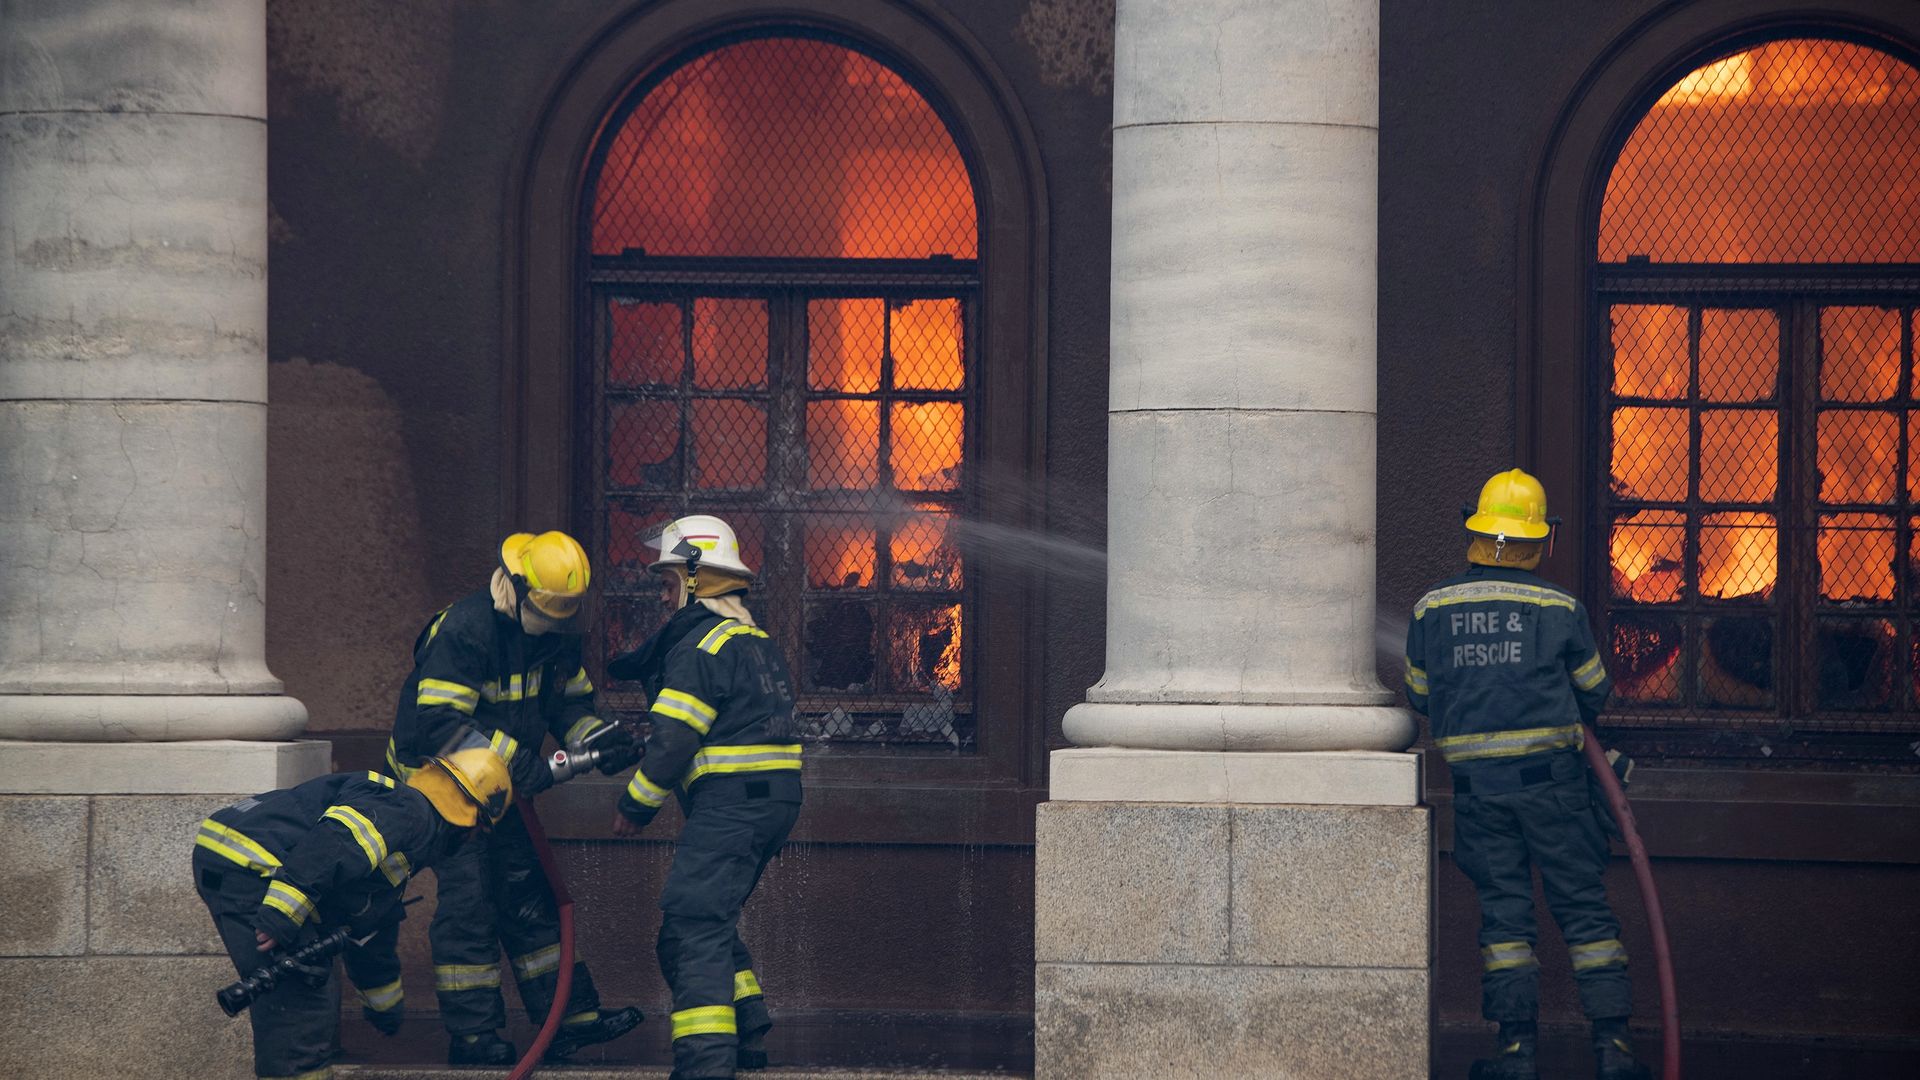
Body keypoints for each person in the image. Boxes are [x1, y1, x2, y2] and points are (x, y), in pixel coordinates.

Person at [1403, 468, 1652, 1080]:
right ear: (1543, 539)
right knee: (1586, 915)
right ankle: (1614, 1054)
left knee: (1505, 920)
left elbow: (1420, 695)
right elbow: (1596, 691)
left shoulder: (1432, 609)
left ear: (1477, 530)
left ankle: (1516, 1054)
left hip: (1478, 796)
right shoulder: (1560, 608)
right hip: (1556, 791)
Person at [386, 530, 643, 1065]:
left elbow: (569, 705)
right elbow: (439, 723)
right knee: (470, 906)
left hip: (500, 790)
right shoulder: (466, 628)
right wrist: (517, 759)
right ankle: (474, 1036)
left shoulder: (554, 634)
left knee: (530, 900)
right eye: (551, 612)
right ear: (518, 588)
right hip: (440, 790)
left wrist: (598, 741)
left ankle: (569, 1020)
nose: (556, 625)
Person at [608, 514, 803, 1080]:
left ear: (697, 579)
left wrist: (634, 806)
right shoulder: (752, 640)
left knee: (690, 925)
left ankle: (705, 1064)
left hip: (730, 808)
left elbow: (674, 740)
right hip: (774, 803)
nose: (664, 598)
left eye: (669, 584)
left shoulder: (696, 645)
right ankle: (748, 1027)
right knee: (710, 920)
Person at [192, 749, 511, 1080]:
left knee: (310, 989)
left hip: (236, 859)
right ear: (469, 819)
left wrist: (383, 1005)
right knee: (301, 1010)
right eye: (479, 830)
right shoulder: (408, 811)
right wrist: (280, 915)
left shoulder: (407, 832)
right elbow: (333, 846)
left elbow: (362, 927)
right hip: (252, 867)